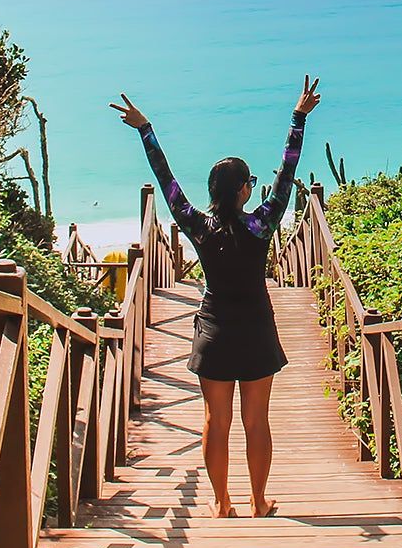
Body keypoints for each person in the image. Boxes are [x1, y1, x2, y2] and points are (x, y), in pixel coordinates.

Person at [110, 76, 321, 518]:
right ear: (244, 190)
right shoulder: (262, 224)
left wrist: (146, 130)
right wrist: (297, 118)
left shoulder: (198, 226)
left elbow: (166, 182)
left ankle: (223, 503)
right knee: (256, 421)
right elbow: (287, 174)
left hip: (215, 331)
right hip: (258, 329)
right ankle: (259, 500)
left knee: (216, 421)